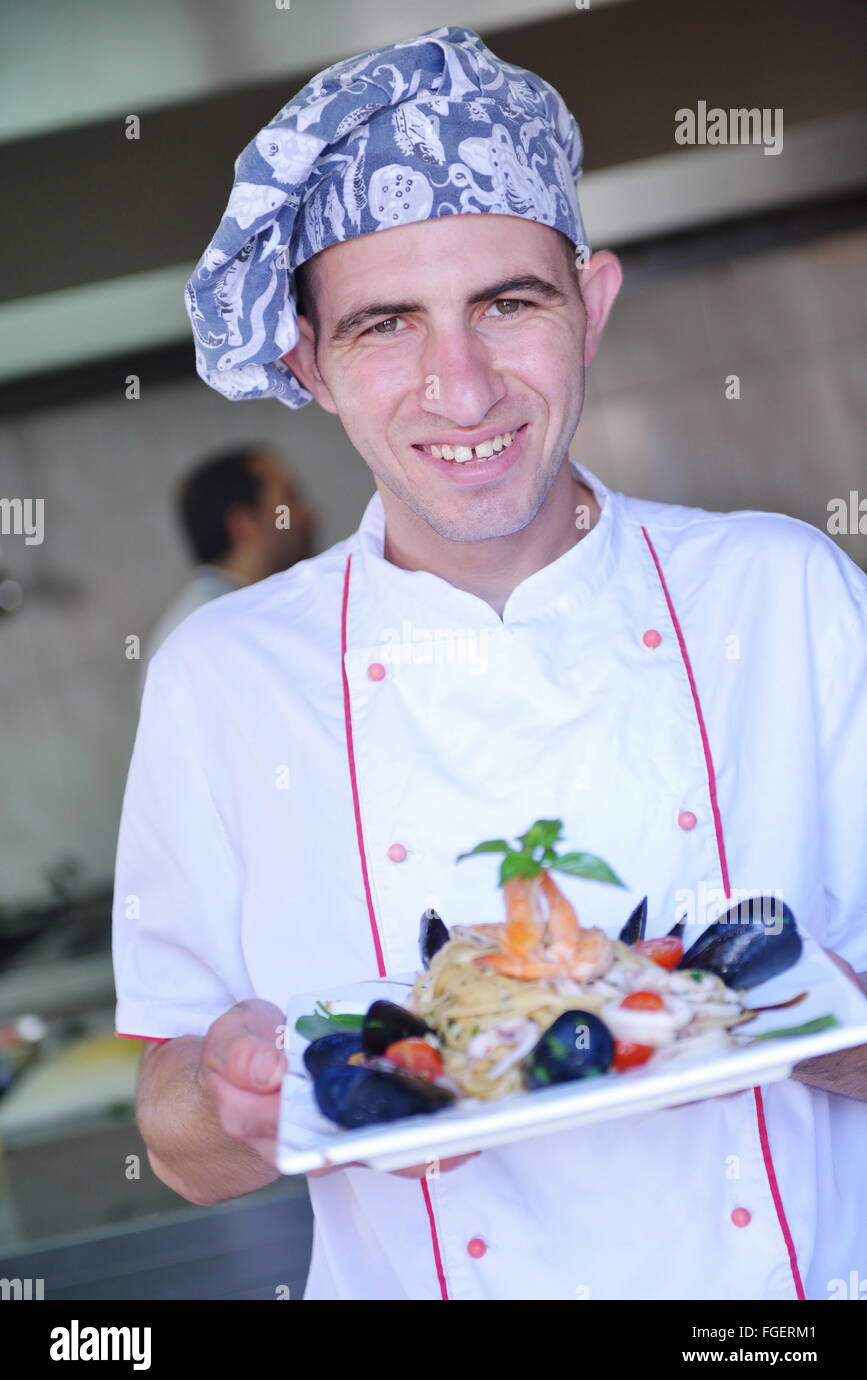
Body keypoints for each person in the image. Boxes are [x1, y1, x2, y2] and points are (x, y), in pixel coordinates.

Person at [112, 27, 867, 1300]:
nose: (460, 390)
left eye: (508, 304)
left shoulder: (784, 592)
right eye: (385, 325)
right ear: (307, 361)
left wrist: (790, 1022)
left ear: (593, 306)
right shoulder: (224, 677)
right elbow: (179, 1137)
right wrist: (230, 1094)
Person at [137, 446, 317, 696]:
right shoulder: (208, 634)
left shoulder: (219, 619)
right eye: (290, 498)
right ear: (244, 525)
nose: (309, 513)